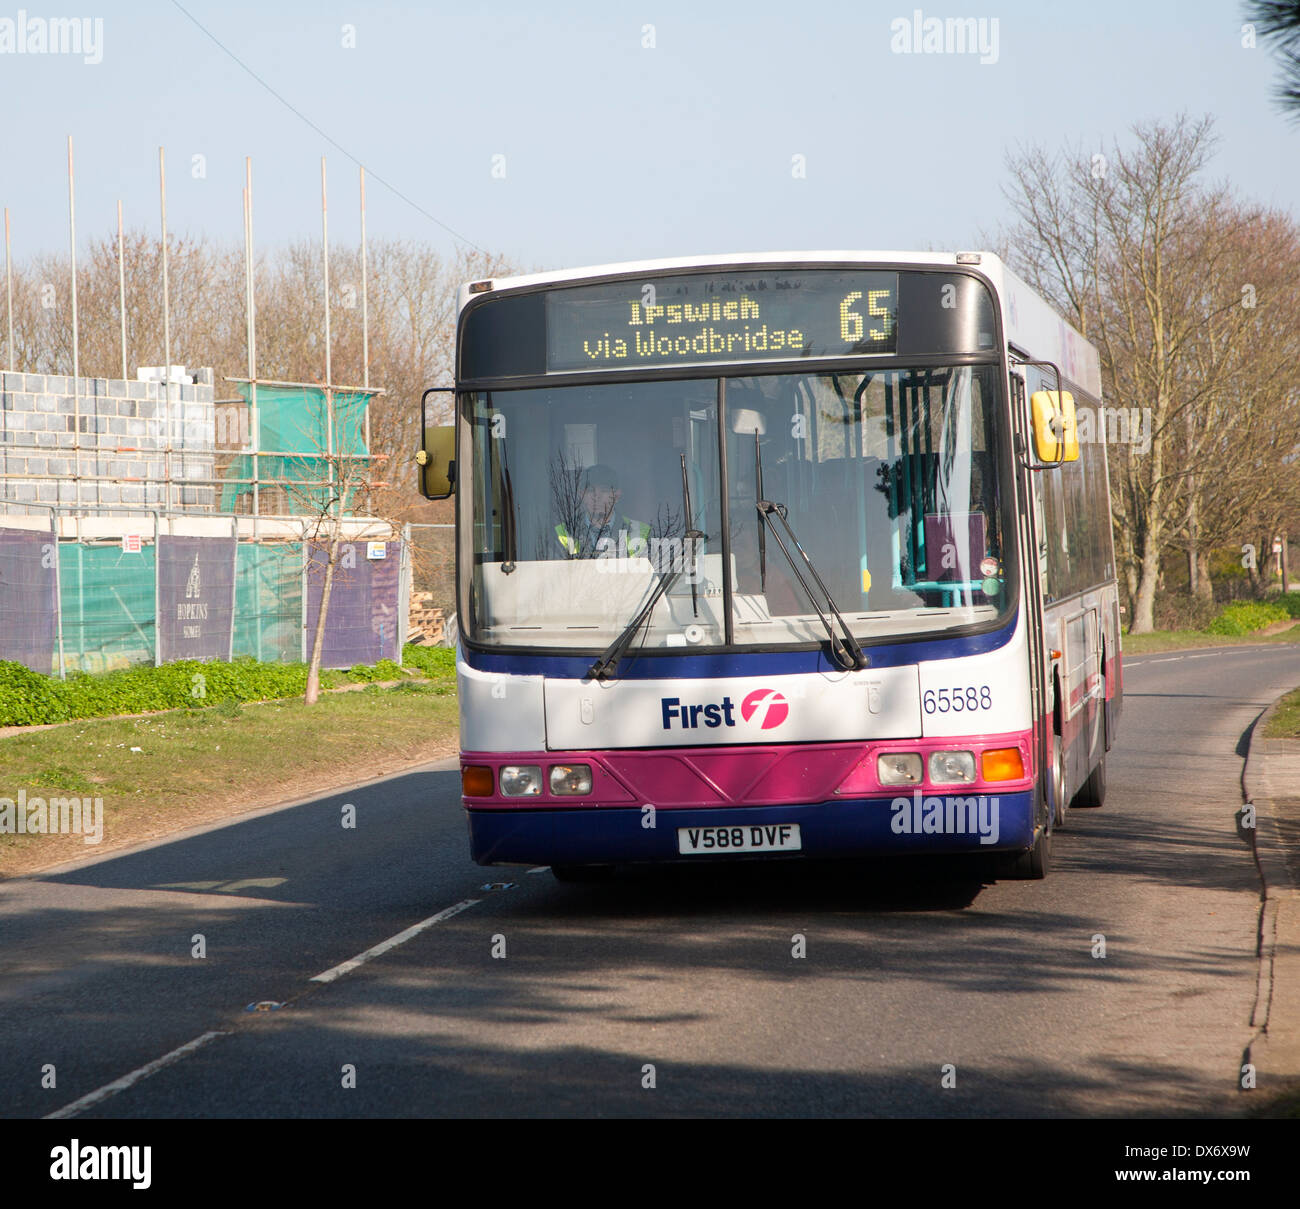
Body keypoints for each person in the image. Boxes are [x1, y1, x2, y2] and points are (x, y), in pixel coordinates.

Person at [556, 464, 651, 558]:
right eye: (590, 490)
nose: (597, 497)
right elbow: (556, 570)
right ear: (582, 495)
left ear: (616, 496)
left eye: (604, 490)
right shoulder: (565, 532)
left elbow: (647, 571)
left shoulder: (639, 531)